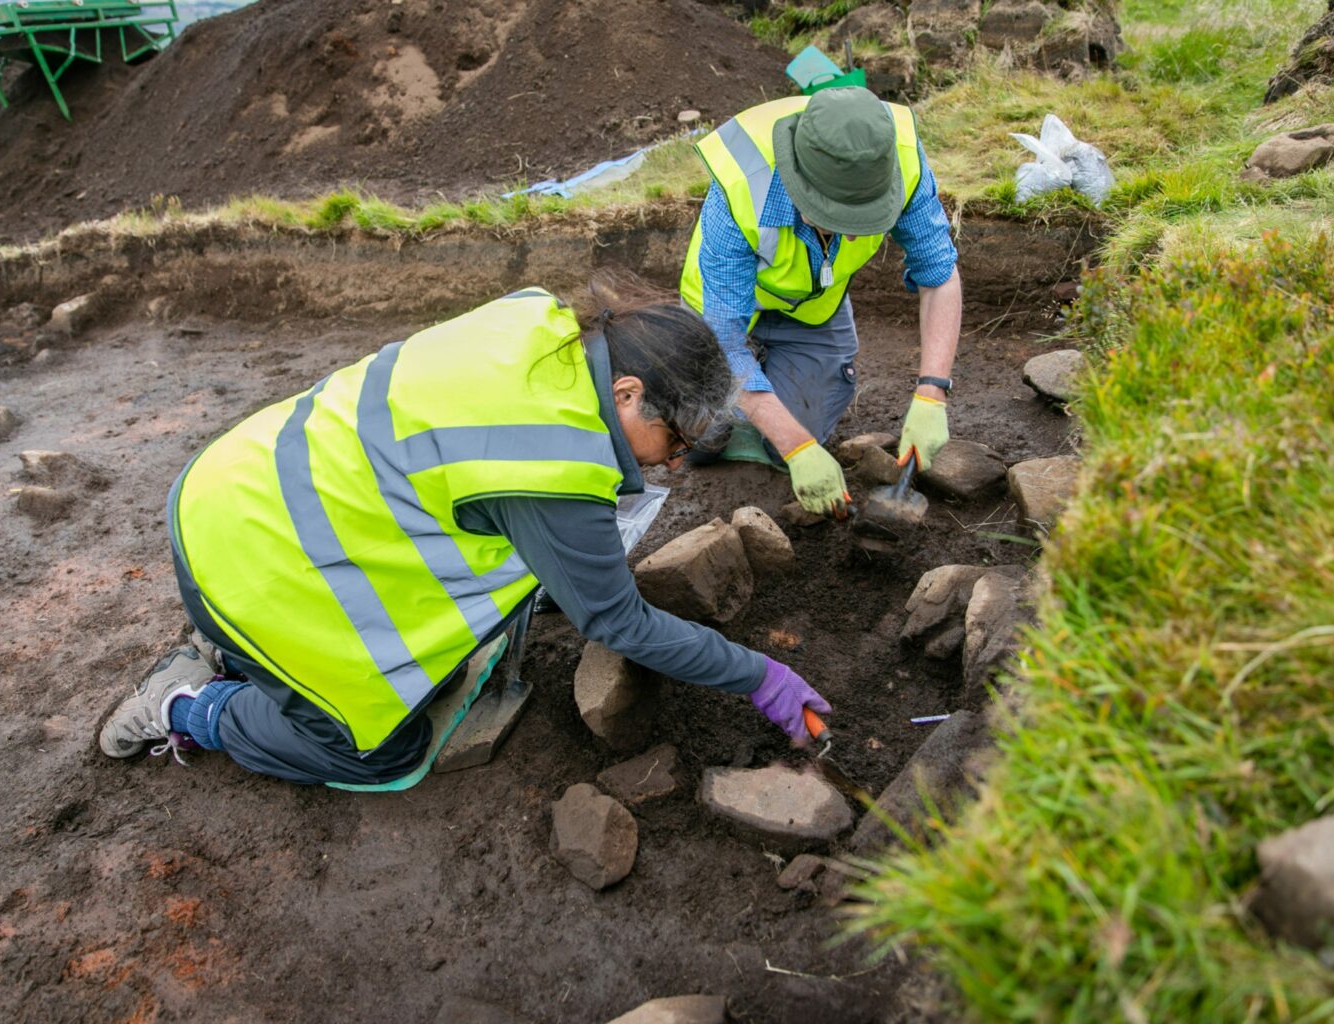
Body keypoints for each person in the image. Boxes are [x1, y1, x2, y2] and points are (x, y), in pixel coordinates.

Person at [97, 278, 831, 787]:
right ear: (628, 395)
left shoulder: (540, 325)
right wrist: (758, 675)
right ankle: (187, 705)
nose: (678, 459)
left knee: (443, 656)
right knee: (381, 752)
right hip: (255, 564)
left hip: (242, 488)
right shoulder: (551, 459)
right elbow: (618, 621)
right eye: (677, 437)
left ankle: (234, 648)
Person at [679, 86, 963, 517]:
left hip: (811, 311)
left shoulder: (896, 156)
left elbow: (939, 274)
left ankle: (767, 404)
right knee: (696, 439)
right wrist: (797, 447)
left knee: (796, 436)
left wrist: (932, 392)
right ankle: (725, 418)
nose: (851, 235)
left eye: (865, 220)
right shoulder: (741, 184)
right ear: (798, 186)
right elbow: (726, 338)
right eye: (837, 219)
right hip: (721, 310)